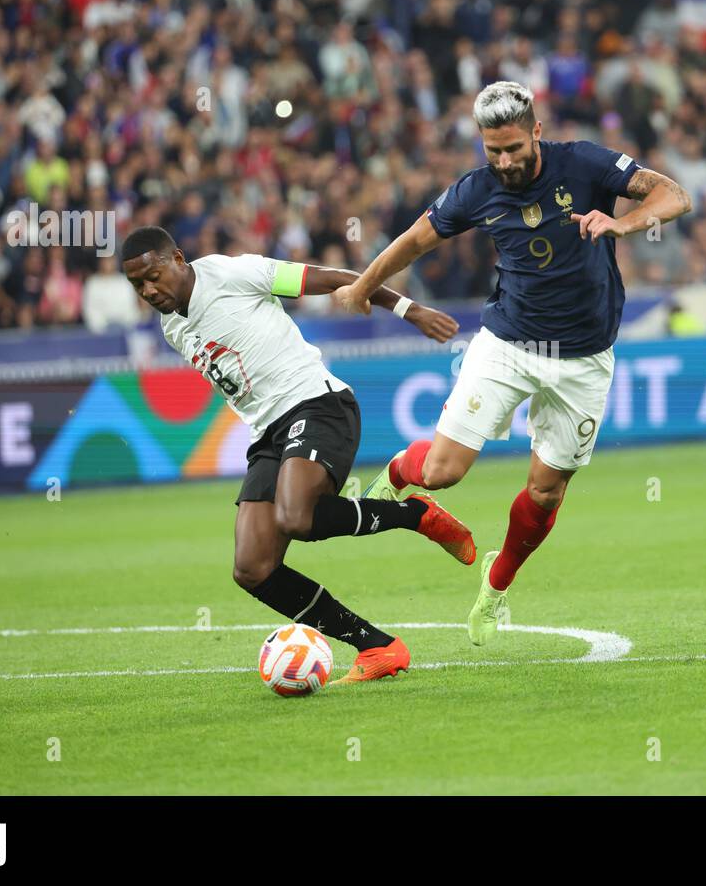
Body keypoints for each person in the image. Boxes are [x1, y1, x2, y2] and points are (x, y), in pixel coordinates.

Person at [334, 82, 692, 645]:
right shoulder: (476, 191)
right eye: (492, 150)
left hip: (583, 358)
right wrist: (364, 284)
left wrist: (622, 223)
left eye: (514, 149)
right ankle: (399, 474)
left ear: (537, 133)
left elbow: (674, 194)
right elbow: (415, 241)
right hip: (508, 344)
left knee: (547, 492)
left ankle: (496, 586)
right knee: (441, 474)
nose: (504, 162)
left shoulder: (585, 164)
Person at [121, 226, 472, 684]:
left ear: (179, 259)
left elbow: (329, 277)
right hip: (269, 433)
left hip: (317, 403)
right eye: (138, 285)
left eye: (153, 275)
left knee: (297, 517)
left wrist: (408, 308)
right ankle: (377, 646)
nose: (149, 290)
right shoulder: (173, 327)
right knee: (253, 568)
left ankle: (414, 515)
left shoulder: (232, 274)